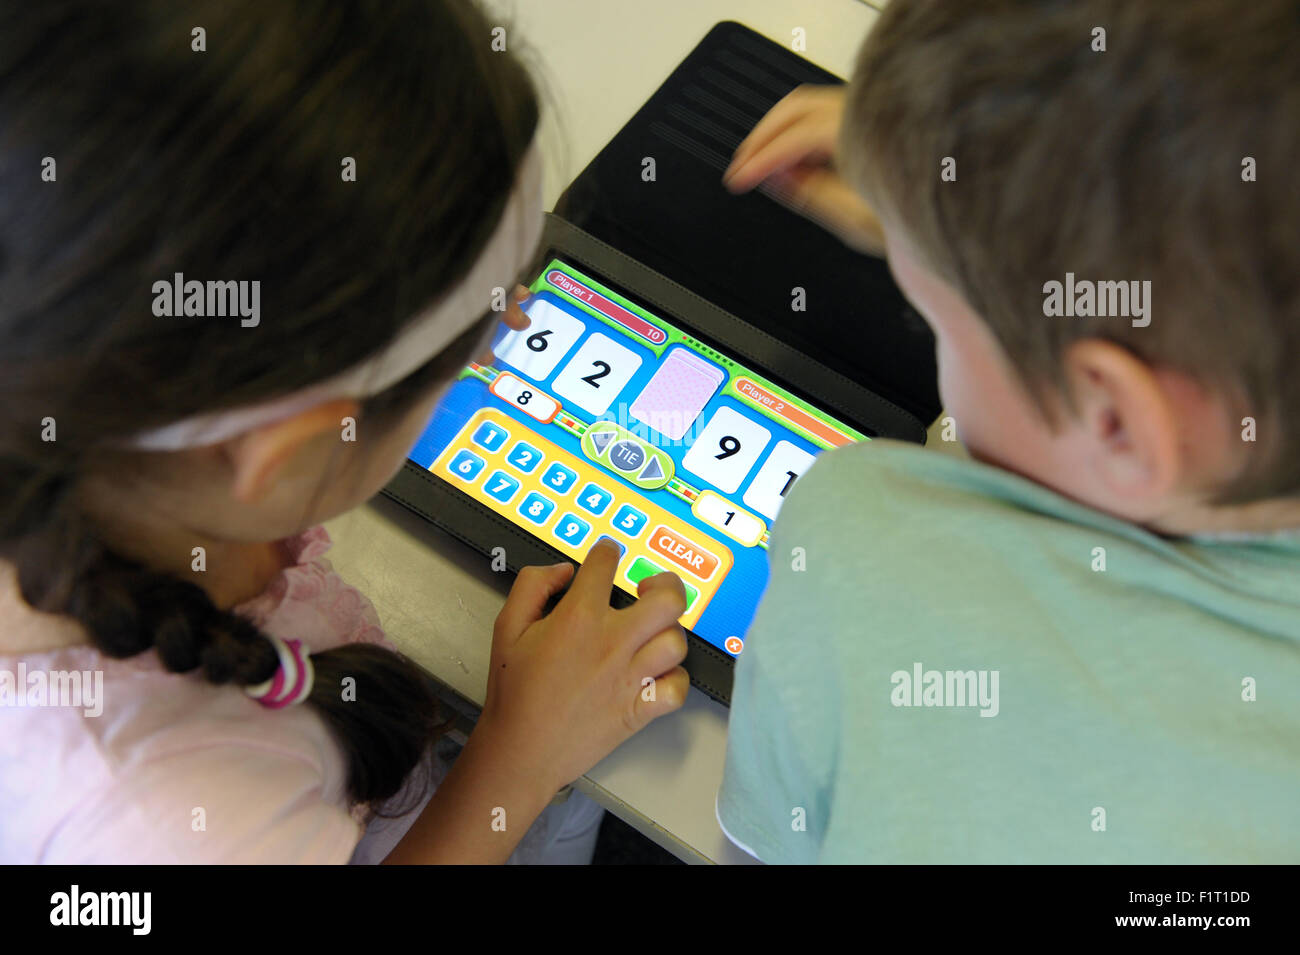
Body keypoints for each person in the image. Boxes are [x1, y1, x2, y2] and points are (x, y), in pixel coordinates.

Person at [0, 0, 689, 864]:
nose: (518, 315)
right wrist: (525, 753)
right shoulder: (165, 819)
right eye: (475, 340)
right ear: (290, 451)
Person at [717, 0, 1300, 862]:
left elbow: (763, 837)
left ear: (1117, 424)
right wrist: (976, 229)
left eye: (937, 321)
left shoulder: (859, 544)